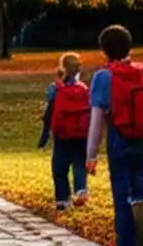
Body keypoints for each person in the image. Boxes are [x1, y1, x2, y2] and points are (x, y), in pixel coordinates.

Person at [86, 25, 143, 246]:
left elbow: (97, 119)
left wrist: (91, 155)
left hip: (121, 140)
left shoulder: (104, 76)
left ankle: (127, 241)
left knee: (123, 198)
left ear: (104, 51)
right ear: (129, 47)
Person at [40, 54, 90, 212]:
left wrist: (45, 133)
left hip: (61, 133)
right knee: (79, 163)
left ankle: (62, 200)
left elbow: (50, 107)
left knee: (60, 167)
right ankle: (80, 188)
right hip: (81, 133)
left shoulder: (55, 88)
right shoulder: (84, 89)